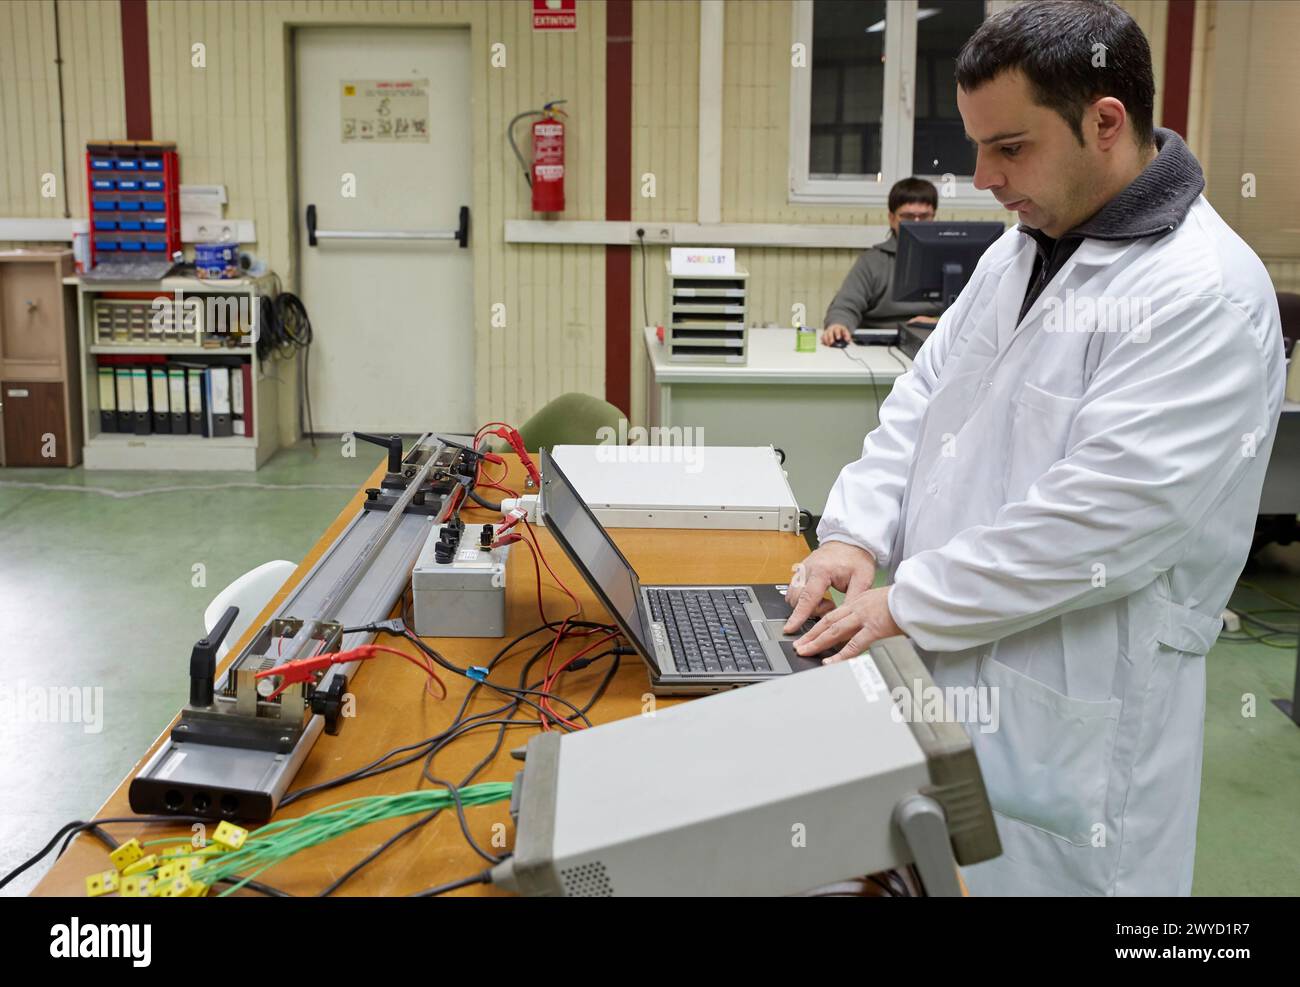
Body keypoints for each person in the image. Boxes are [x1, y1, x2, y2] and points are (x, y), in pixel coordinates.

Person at [784, 0, 1284, 896]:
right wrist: (853, 535)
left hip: (1075, 703)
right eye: (976, 147)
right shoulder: (1022, 249)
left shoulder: (1200, 292)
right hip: (944, 651)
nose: (983, 177)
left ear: (1105, 122)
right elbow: (923, 401)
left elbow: (1105, 522)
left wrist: (909, 600)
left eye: (1009, 148)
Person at [819, 178, 944, 346]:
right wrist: (838, 325)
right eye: (907, 216)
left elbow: (971, 312)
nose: (916, 223)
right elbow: (846, 304)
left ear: (933, 217)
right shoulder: (872, 261)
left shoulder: (951, 263)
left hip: (934, 343)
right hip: (879, 344)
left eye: (923, 216)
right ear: (892, 219)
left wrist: (940, 321)